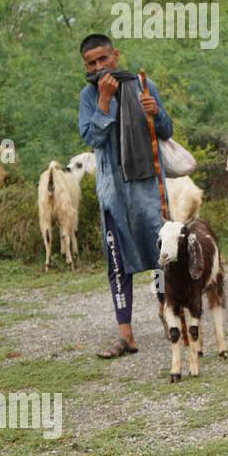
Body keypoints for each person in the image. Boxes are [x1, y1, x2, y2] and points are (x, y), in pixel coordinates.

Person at [78, 34, 173, 359]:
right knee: (117, 262)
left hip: (148, 189)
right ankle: (126, 335)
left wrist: (156, 111)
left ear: (115, 55)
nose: (97, 67)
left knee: (162, 256)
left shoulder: (143, 84)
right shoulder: (89, 96)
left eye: (102, 59)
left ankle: (169, 315)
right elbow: (91, 137)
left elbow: (167, 130)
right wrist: (104, 102)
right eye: (90, 63)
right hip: (113, 193)